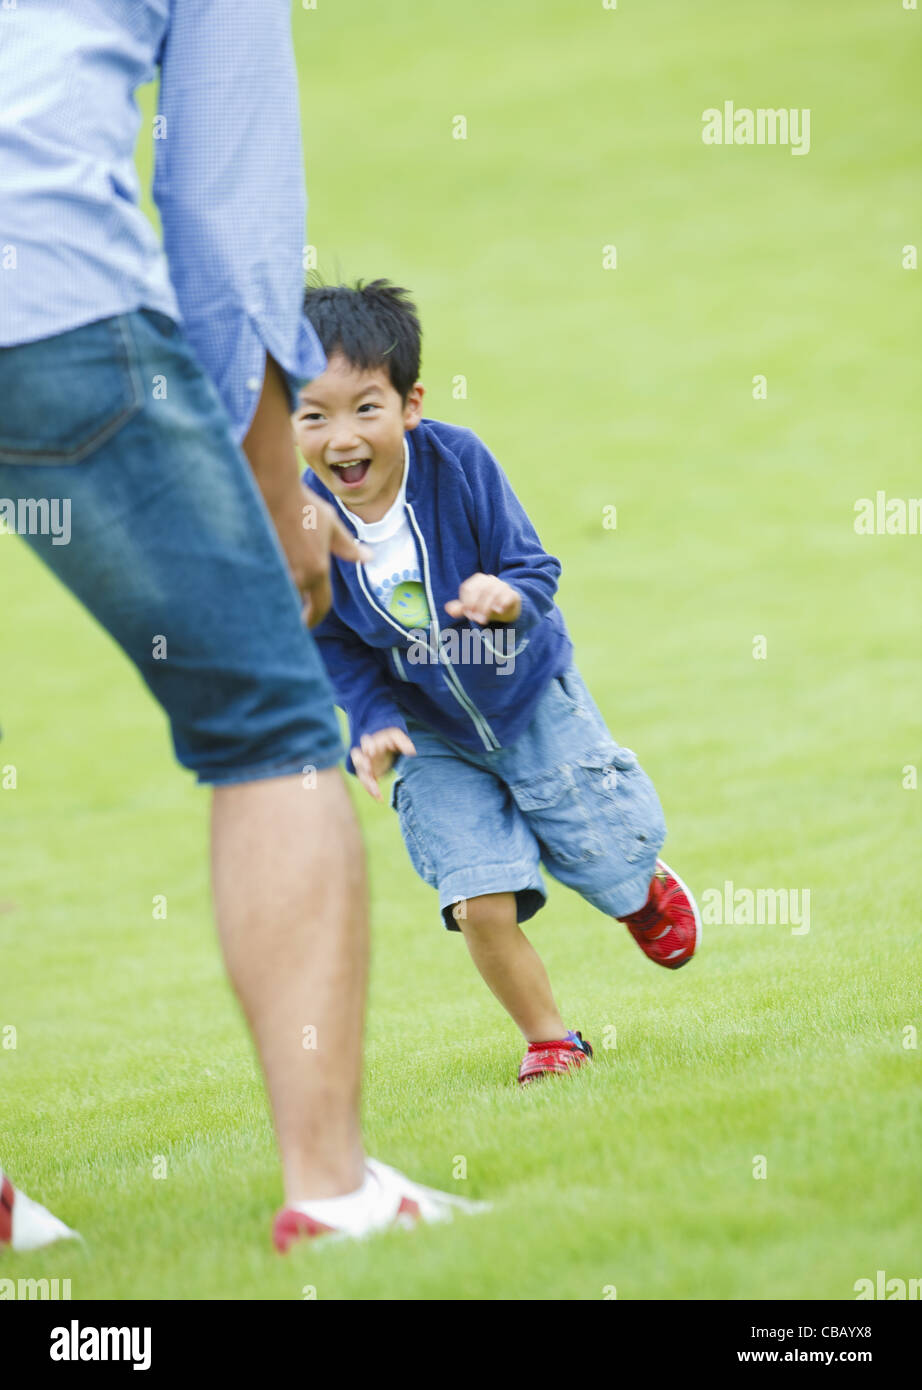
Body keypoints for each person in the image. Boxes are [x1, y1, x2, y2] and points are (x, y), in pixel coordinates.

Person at [0, 1, 476, 1252]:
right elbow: (225, 198)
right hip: (42, 295)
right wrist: (276, 481)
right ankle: (333, 1187)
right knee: (267, 716)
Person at [293, 280, 703, 1085]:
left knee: (601, 853)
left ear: (409, 404)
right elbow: (330, 640)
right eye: (314, 415)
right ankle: (550, 1038)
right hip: (432, 735)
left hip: (529, 700)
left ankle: (636, 887)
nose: (343, 436)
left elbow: (535, 567)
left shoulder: (460, 463)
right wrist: (371, 722)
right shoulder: (301, 520)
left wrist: (507, 598)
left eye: (365, 408)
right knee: (478, 895)